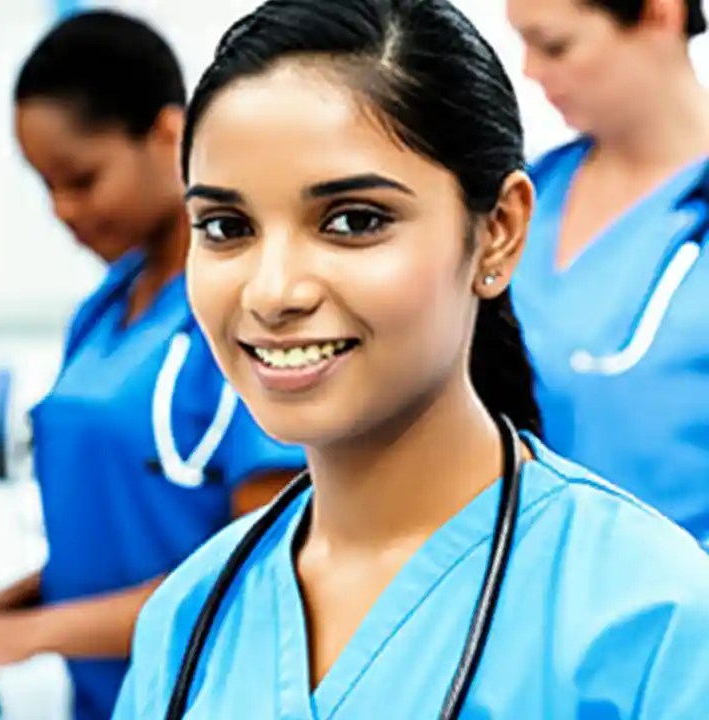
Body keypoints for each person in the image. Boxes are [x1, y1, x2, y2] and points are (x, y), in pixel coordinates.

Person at [113, 1, 709, 718]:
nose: (272, 293)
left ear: (497, 234)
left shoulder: (654, 618)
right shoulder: (189, 622)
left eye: (354, 221)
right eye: (225, 226)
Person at [0, 11, 305, 720]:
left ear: (169, 136)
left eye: (81, 179)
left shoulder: (248, 314)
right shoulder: (105, 310)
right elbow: (110, 545)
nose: (62, 210)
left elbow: (255, 579)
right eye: (45, 185)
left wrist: (18, 636)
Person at [506, 0, 709, 546]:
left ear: (660, 13)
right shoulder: (521, 202)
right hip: (510, 597)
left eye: (554, 45)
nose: (528, 69)